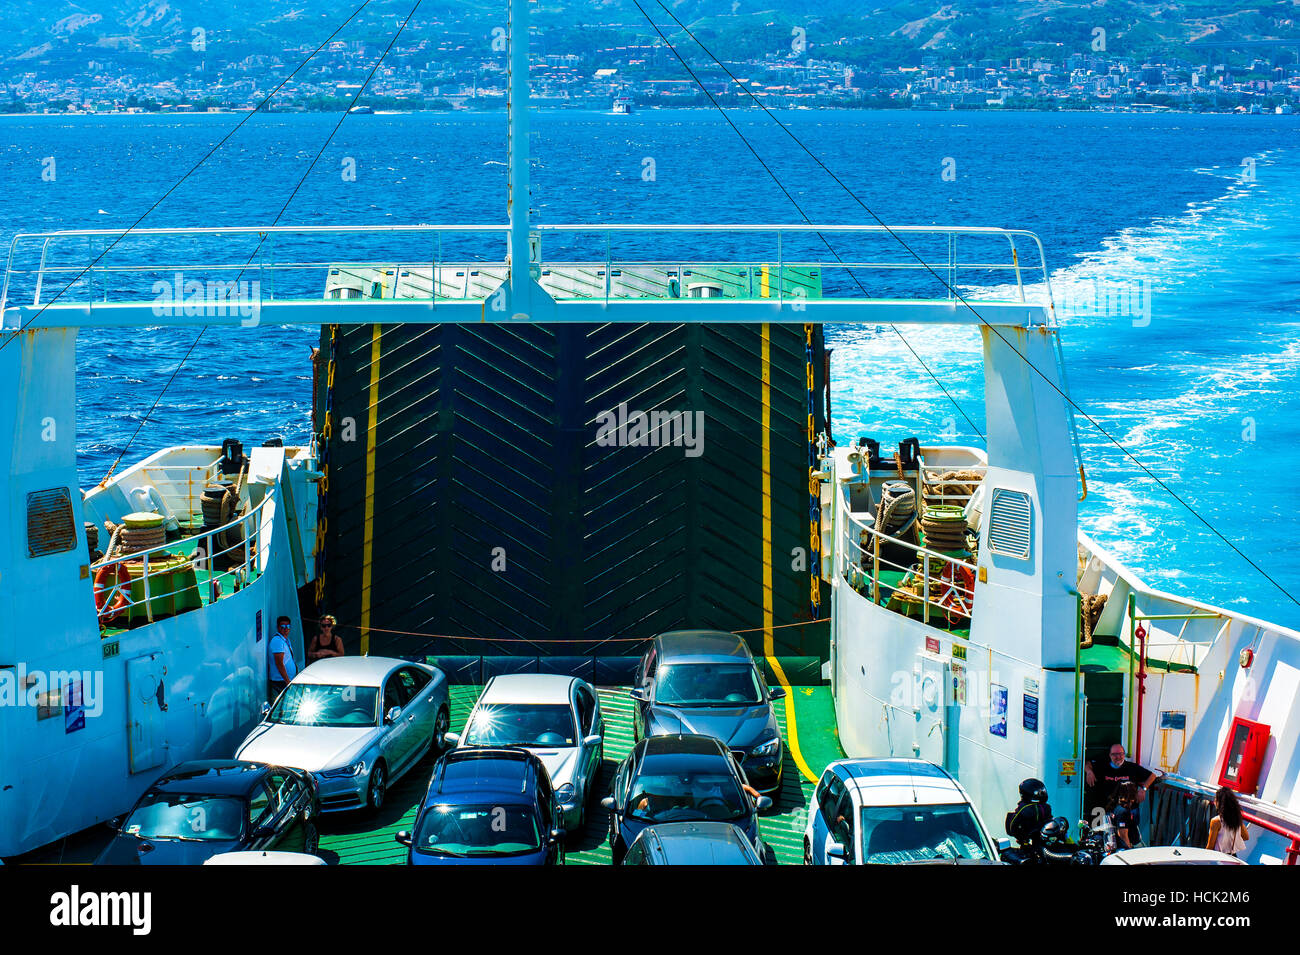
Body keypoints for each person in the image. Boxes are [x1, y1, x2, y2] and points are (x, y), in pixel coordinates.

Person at [1085, 743, 1159, 826]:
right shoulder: (1103, 766)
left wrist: (1143, 790)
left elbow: (1152, 776)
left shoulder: (1132, 767)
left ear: (1124, 754)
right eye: (1114, 754)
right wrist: (1089, 772)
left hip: (1129, 810)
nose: (1118, 757)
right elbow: (1087, 763)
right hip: (1106, 810)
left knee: (1129, 835)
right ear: (1110, 755)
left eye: (1120, 754)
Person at [1206, 786, 1249, 857]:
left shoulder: (1216, 821)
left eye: (1215, 799)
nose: (1214, 801)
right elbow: (1246, 837)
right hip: (1233, 856)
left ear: (1219, 802)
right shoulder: (1237, 818)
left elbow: (1210, 847)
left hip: (1219, 857)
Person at [268, 615, 298, 701]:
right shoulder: (277, 641)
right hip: (281, 681)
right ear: (278, 627)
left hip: (285, 680)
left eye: (288, 626)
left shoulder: (285, 640)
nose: (286, 629)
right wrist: (287, 681)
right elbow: (279, 663)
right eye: (283, 626)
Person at [1109, 782, 1142, 849]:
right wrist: (1129, 849)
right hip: (1127, 848)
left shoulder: (1119, 808)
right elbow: (1122, 834)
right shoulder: (1123, 812)